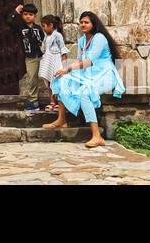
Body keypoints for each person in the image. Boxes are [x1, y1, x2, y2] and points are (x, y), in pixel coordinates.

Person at [45, 10, 125, 148]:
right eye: (81, 22)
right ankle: (61, 119)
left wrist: (68, 69)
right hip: (89, 75)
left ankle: (97, 136)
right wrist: (67, 73)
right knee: (63, 81)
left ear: (93, 24)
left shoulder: (99, 38)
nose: (83, 25)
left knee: (85, 93)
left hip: (105, 74)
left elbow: (89, 61)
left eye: (86, 22)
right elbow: (80, 61)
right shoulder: (82, 40)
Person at [8, 3, 45, 112]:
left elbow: (45, 40)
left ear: (35, 16)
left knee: (47, 78)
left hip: (42, 56)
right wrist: (16, 11)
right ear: (22, 15)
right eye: (25, 14)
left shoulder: (39, 28)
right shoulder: (20, 27)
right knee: (32, 78)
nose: (28, 16)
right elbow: (9, 21)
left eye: (30, 14)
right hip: (30, 57)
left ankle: (53, 101)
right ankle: (33, 102)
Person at [37, 15, 68, 113]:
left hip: (56, 60)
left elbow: (63, 50)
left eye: (44, 26)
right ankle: (52, 102)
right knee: (49, 83)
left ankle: (59, 102)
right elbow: (43, 49)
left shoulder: (57, 35)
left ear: (51, 25)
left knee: (57, 82)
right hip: (48, 60)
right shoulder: (47, 37)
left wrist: (64, 65)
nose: (43, 28)